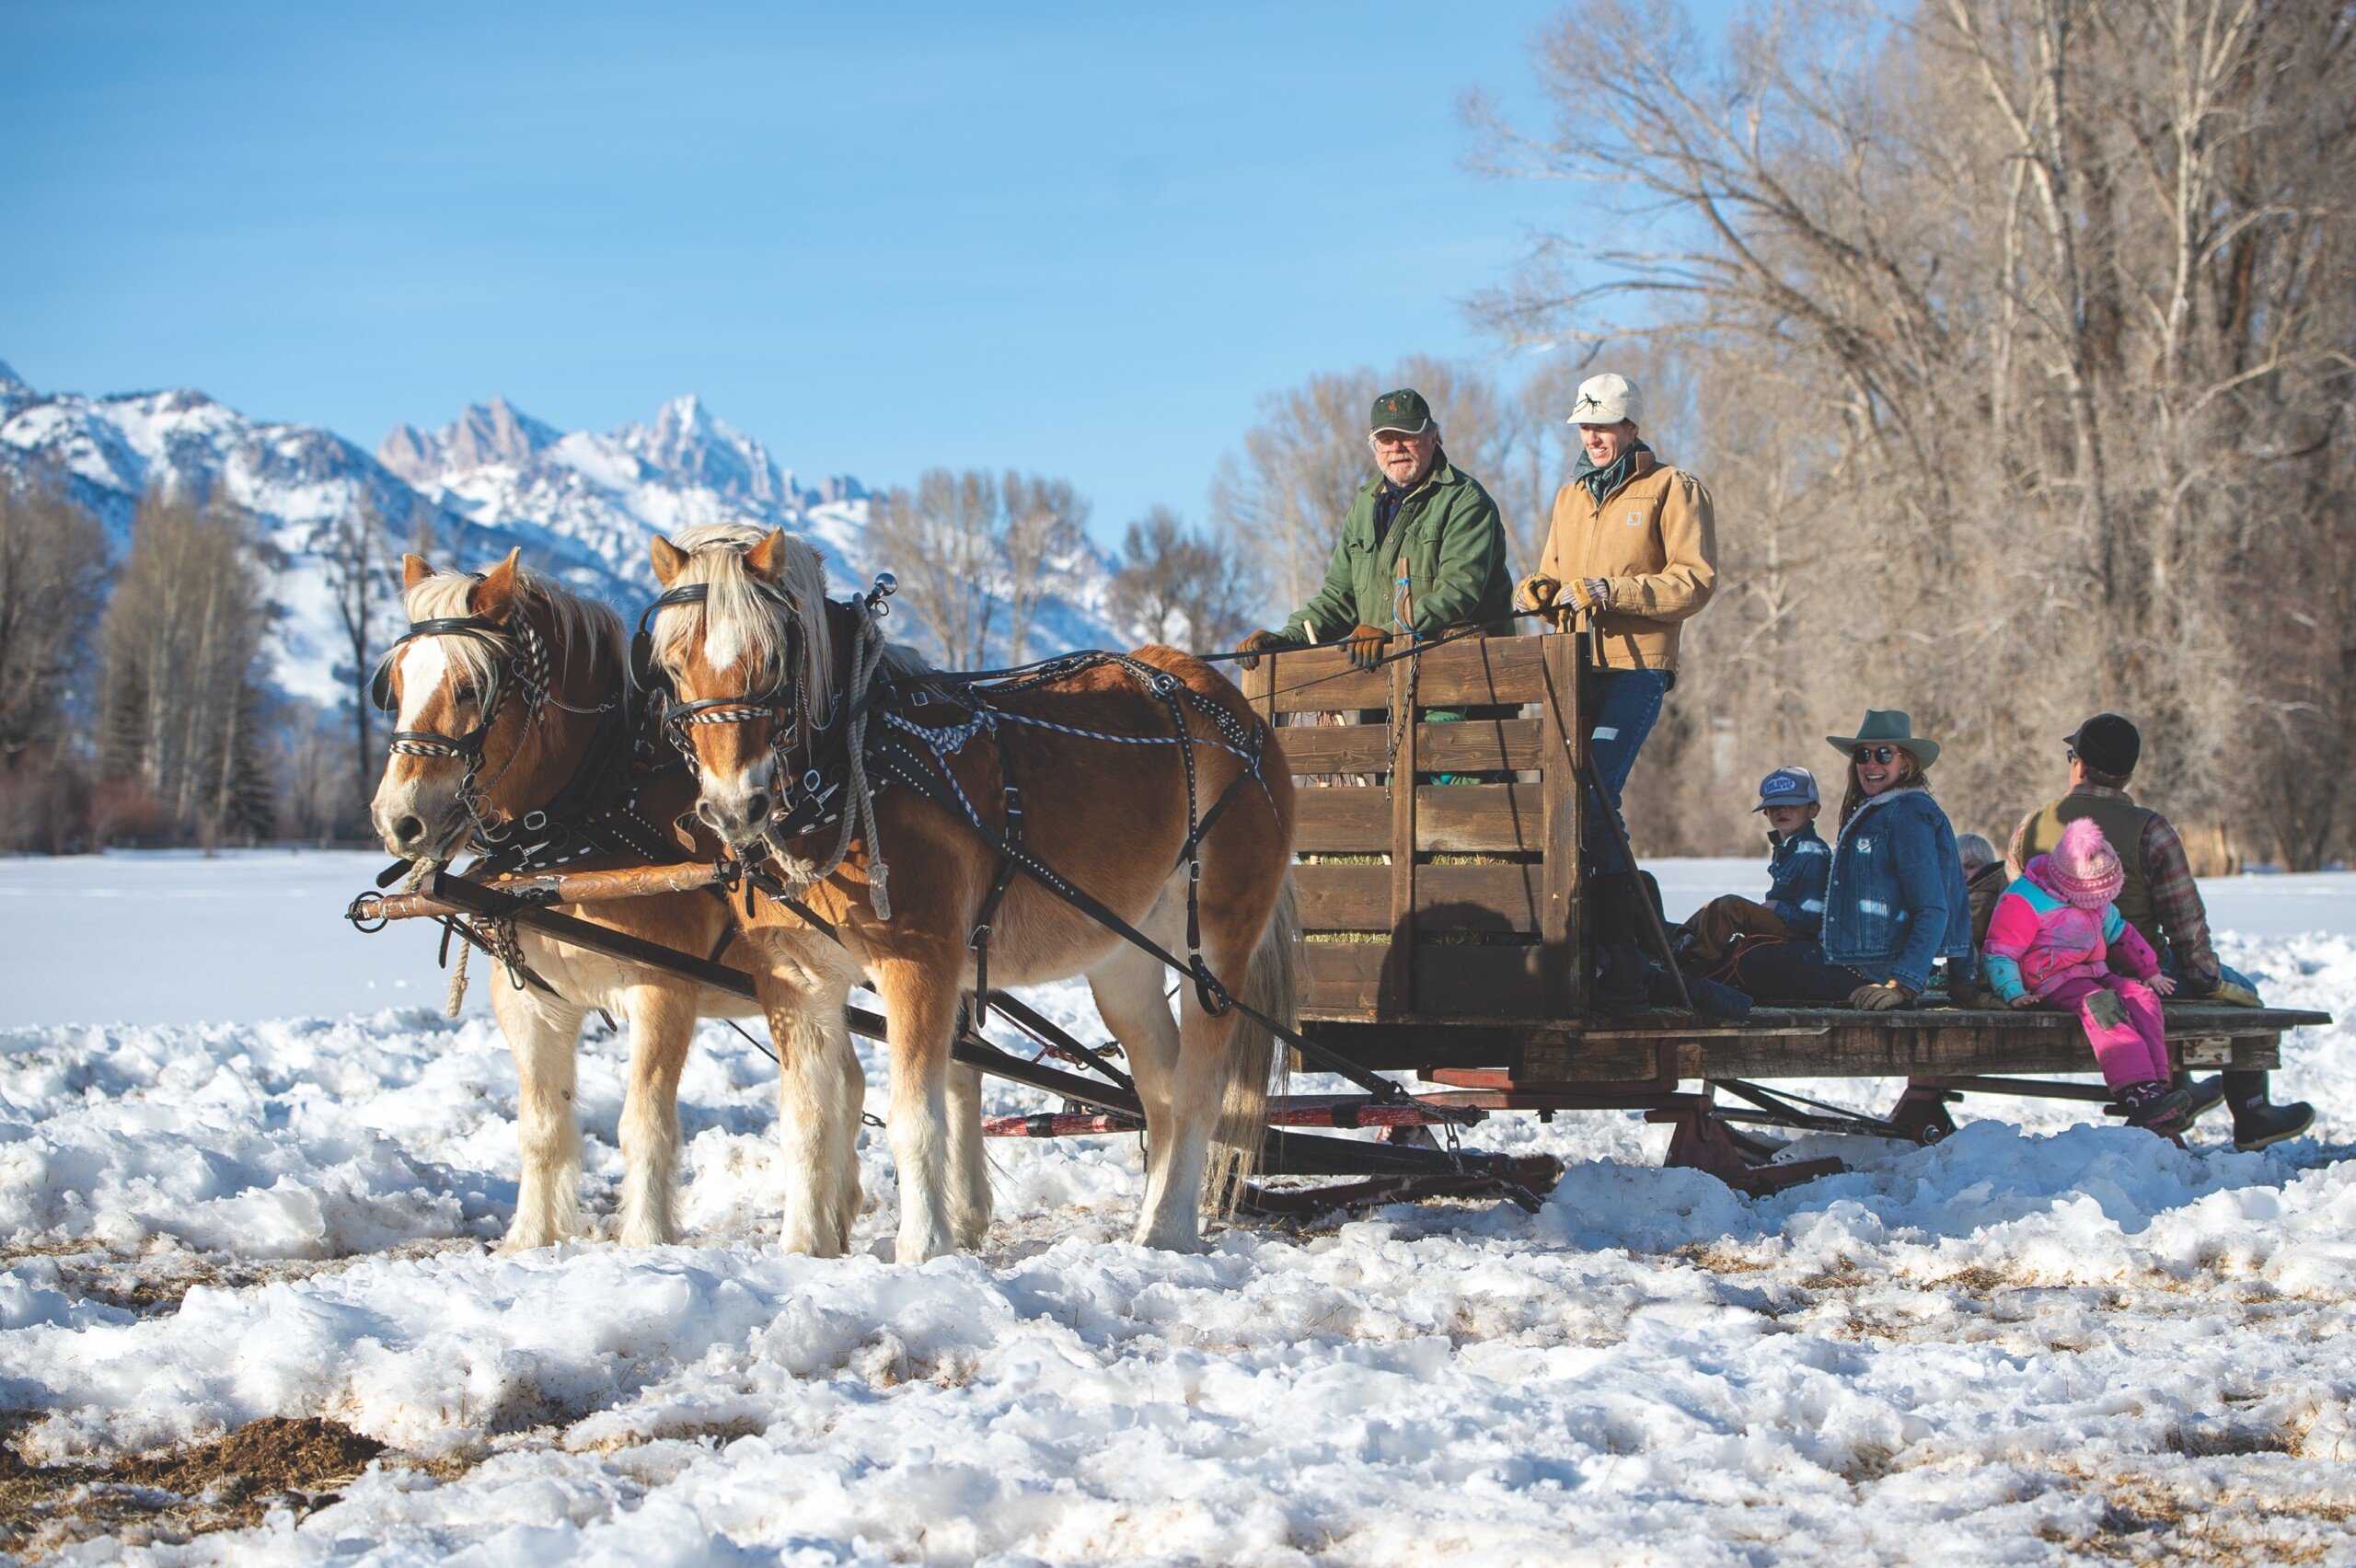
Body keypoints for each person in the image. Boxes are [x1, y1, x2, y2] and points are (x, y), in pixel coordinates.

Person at [2006, 712, 2312, 1150]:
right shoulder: (2151, 830)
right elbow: (2185, 923)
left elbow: (2013, 902)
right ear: (2128, 773)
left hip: (2050, 975)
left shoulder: (2033, 823)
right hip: (2130, 969)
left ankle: (2182, 1087)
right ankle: (2253, 1112)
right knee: (2241, 989)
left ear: (2079, 765)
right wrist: (2208, 978)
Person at [1514, 373, 1719, 1009]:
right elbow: (1551, 574)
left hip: (1637, 665)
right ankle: (1614, 950)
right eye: (1585, 426)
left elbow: (1696, 581)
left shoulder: (1671, 488)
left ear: (1630, 428)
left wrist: (1617, 591)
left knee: (1598, 791)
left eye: (1604, 426)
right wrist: (1537, 593)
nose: (1593, 437)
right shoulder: (1571, 496)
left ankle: (1630, 957)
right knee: (1571, 799)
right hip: (1575, 665)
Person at [1233, 388, 1512, 673]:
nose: (1396, 448)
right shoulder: (1364, 507)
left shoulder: (1465, 500)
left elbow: (1457, 593)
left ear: (1433, 438)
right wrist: (1285, 638)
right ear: (1375, 447)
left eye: (1407, 436)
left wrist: (1390, 632)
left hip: (1461, 678)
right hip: (1381, 681)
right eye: (1386, 439)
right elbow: (1339, 599)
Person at [1722, 710, 1970, 1009]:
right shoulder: (1880, 810)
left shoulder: (1906, 814)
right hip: (1849, 958)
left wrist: (1903, 985)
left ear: (1906, 762)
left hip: (1862, 970)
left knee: (1738, 961)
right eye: (1863, 754)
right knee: (1742, 952)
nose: (1871, 763)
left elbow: (1933, 908)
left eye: (1884, 755)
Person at [1981, 819, 2192, 1133]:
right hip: (2051, 980)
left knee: (2142, 996)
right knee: (2102, 1006)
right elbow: (1999, 950)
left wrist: (2149, 970)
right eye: (2097, 899)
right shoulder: (2024, 900)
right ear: (2072, 883)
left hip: (2094, 972)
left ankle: (2155, 1084)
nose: (2101, 905)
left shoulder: (2095, 898)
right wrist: (2012, 990)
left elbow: (2121, 934)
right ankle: (2136, 1090)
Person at [1675, 767, 1829, 974]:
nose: (1782, 811)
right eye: (1774, 807)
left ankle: (1695, 965)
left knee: (1730, 906)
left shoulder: (1813, 854)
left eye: (1791, 805)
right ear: (1765, 812)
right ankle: (1672, 944)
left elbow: (1812, 920)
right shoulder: (1785, 848)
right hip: (1782, 923)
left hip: (1799, 935)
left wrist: (1776, 907)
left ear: (1813, 810)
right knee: (1712, 907)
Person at [1943, 832, 2009, 1006]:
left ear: (1985, 866)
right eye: (1958, 867)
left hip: (1981, 971)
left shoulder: (1981, 898)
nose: (1963, 874)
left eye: (1970, 867)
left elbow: (1972, 936)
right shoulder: (1971, 893)